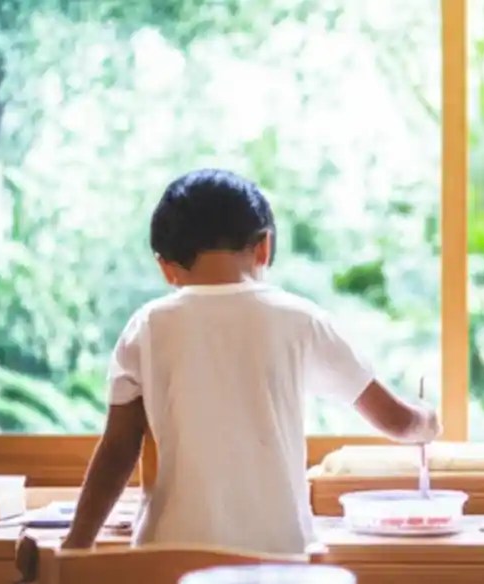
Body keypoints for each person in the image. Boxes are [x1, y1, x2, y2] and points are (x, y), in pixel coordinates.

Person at [62, 169, 440, 554]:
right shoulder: (300, 320)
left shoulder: (147, 326)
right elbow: (396, 420)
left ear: (165, 265)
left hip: (170, 557)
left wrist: (75, 546)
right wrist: (426, 421)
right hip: (279, 559)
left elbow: (117, 450)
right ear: (264, 246)